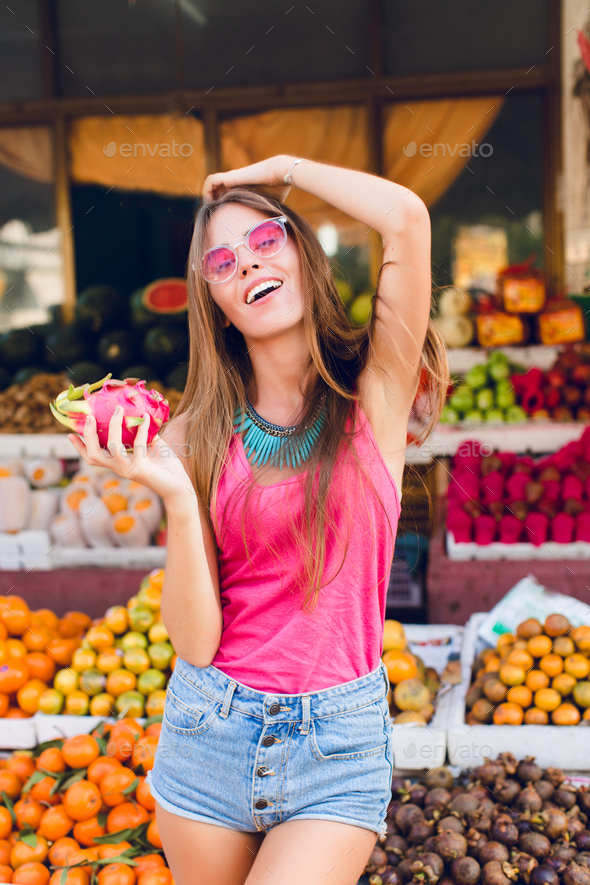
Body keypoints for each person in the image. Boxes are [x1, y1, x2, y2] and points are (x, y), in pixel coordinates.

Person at [69, 155, 448, 885]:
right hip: (209, 730)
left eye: (266, 241)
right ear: (213, 302)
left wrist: (285, 169)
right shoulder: (191, 435)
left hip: (337, 743)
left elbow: (406, 217)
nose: (247, 263)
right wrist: (178, 497)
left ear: (302, 253)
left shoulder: (376, 391)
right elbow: (195, 639)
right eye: (221, 261)